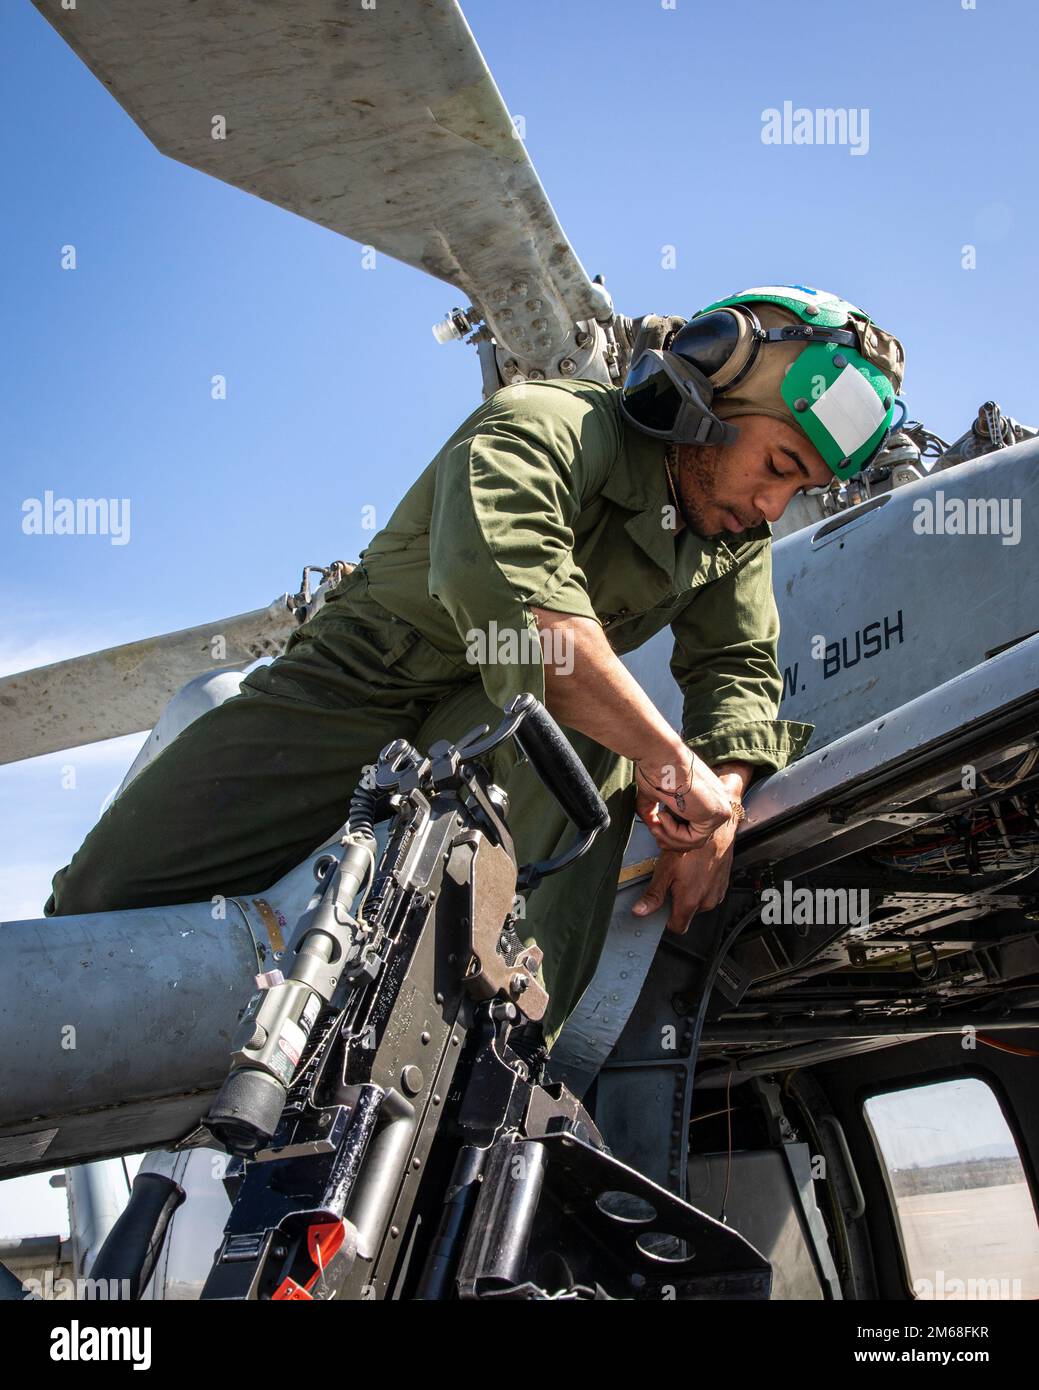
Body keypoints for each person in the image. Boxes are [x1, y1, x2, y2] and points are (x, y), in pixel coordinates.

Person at [45, 285, 905, 1046]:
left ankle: (492, 1049)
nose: (771, 505)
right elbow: (524, 618)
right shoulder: (547, 425)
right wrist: (670, 762)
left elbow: (739, 666)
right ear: (706, 395)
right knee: (95, 910)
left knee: (567, 743)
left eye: (801, 493)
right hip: (355, 686)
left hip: (510, 725)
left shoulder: (731, 533)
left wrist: (717, 800)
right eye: (779, 466)